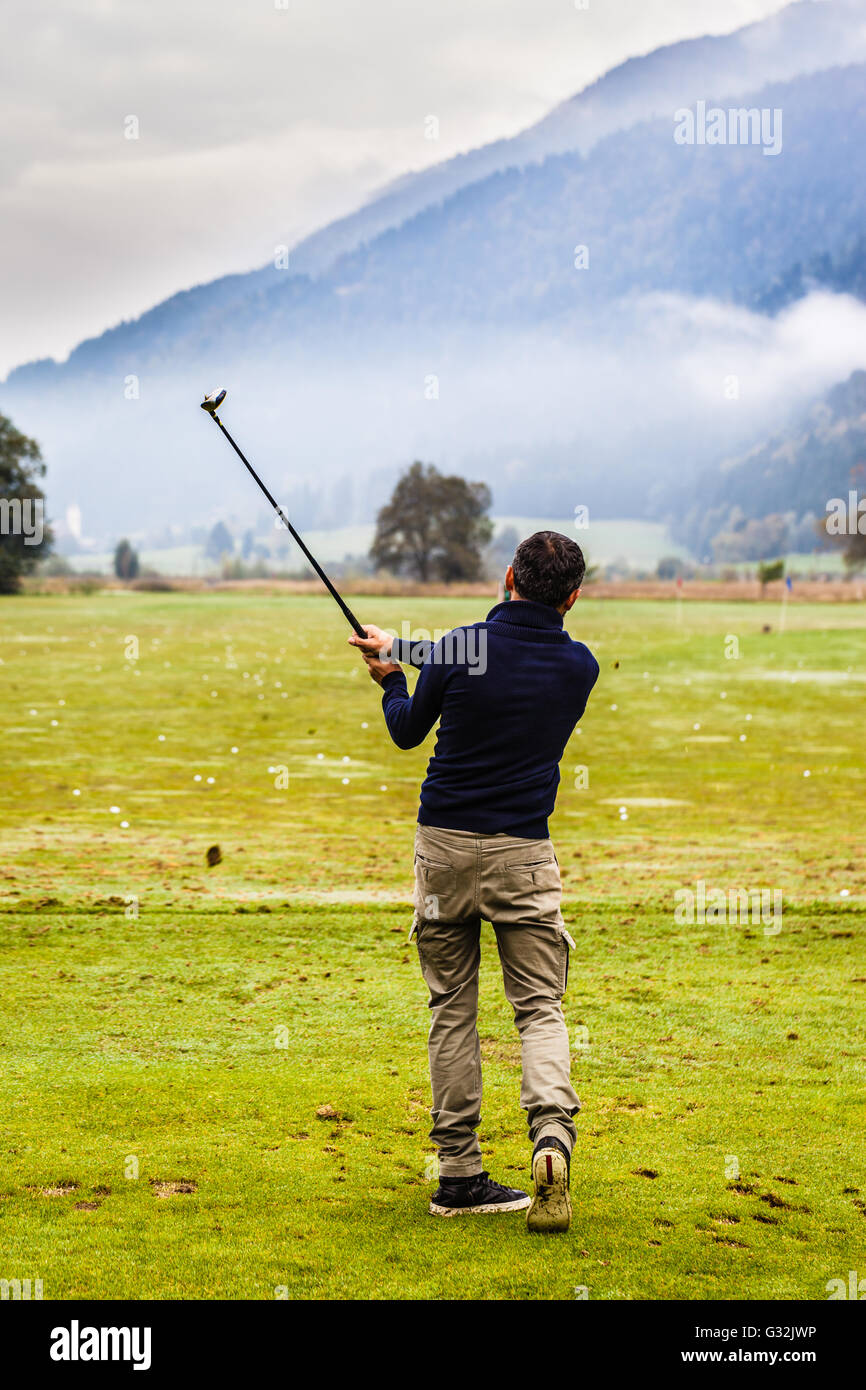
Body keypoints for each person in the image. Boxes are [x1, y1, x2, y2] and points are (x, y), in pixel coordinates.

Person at [350, 531, 598, 1232]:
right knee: (540, 1007)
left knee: (452, 1007)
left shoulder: (465, 644)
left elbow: (408, 728)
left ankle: (458, 1175)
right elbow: (488, 656)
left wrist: (392, 677)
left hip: (444, 851)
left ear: (506, 578)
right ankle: (552, 1138)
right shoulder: (580, 667)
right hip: (525, 853)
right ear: (572, 598)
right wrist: (403, 647)